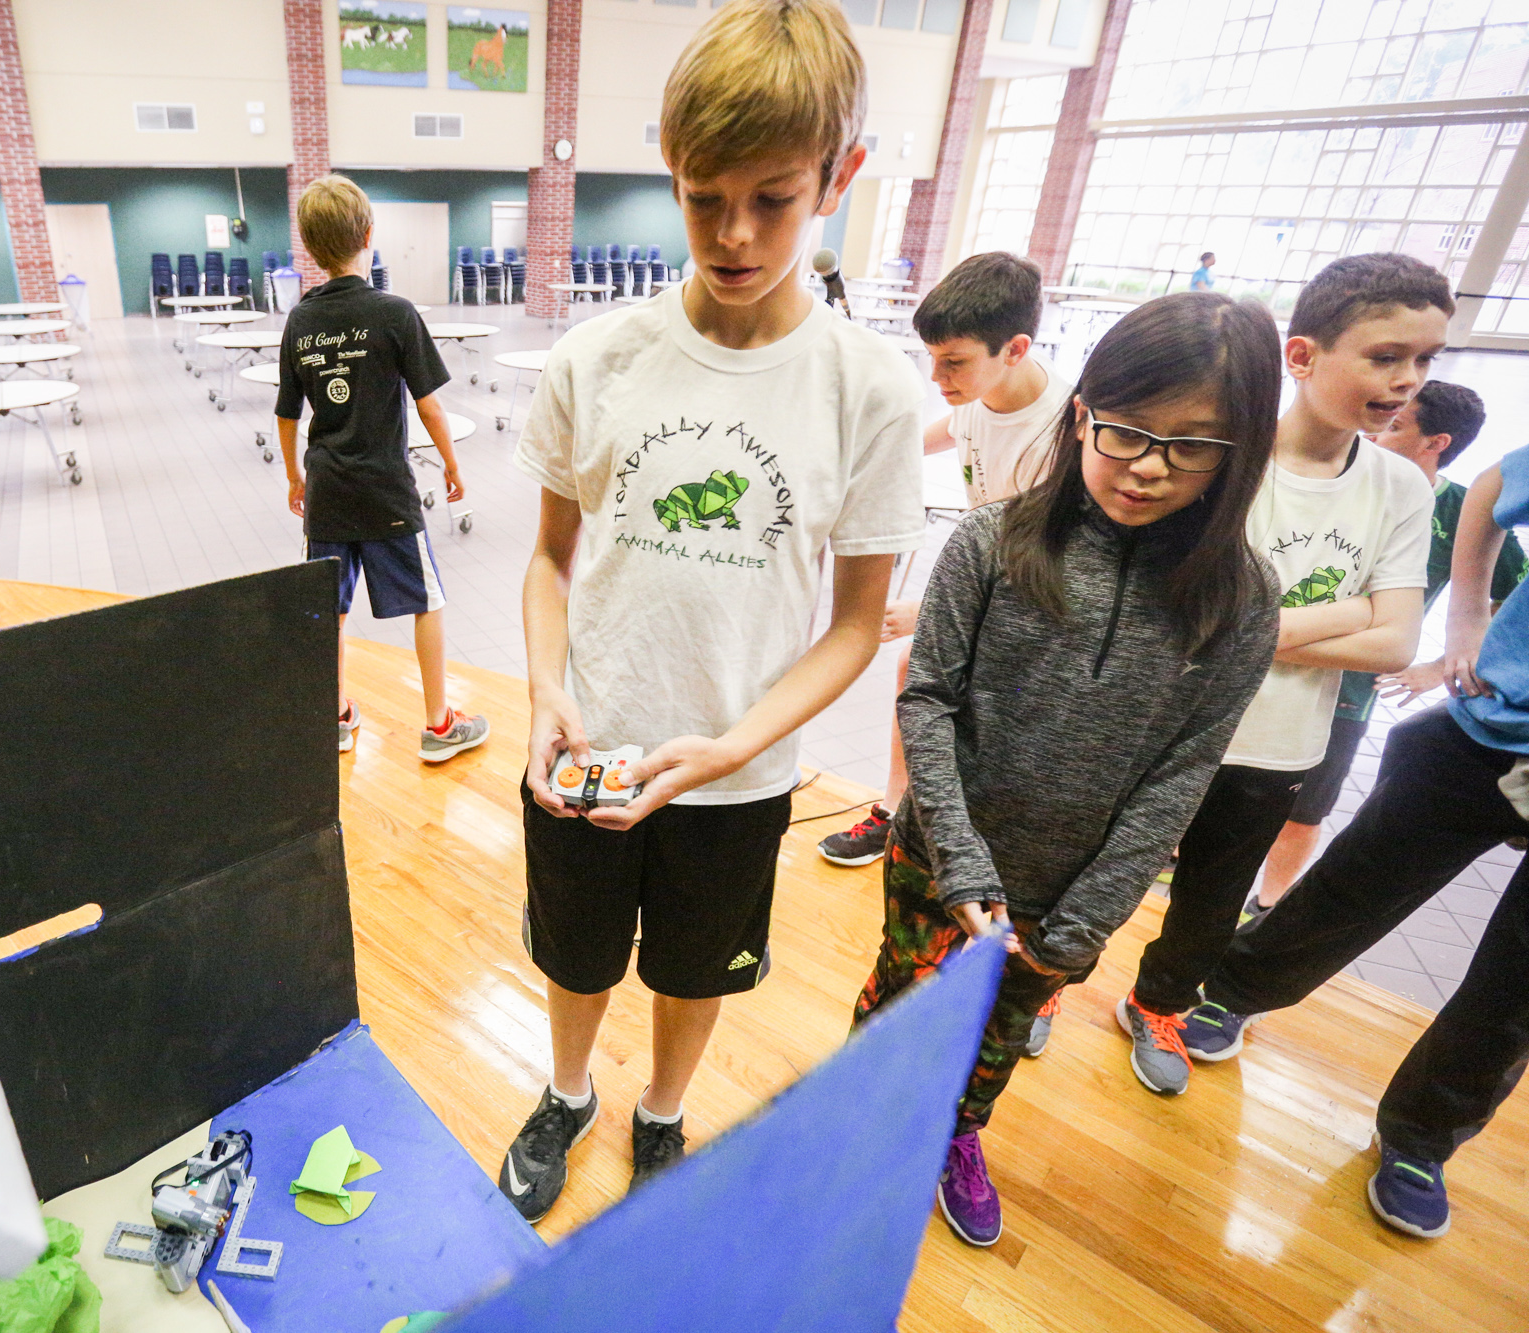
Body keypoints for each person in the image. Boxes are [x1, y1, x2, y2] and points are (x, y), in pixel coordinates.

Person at [498, 0, 923, 1224]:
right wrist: (544, 689)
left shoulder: (869, 393)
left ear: (837, 178)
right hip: (588, 752)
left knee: (694, 970)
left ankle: (662, 1113)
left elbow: (854, 623)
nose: (733, 233)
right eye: (702, 197)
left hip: (737, 776)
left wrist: (734, 745)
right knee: (573, 956)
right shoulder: (599, 359)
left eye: (774, 199)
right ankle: (569, 1091)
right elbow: (544, 561)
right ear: (669, 174)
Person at [854, 292, 1281, 1247]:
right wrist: (960, 864)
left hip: (1068, 899)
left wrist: (1093, 912)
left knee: (998, 1039)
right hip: (939, 861)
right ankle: (857, 1134)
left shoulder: (1243, 600)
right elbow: (927, 701)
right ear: (1083, 411)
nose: (1147, 467)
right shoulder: (991, 541)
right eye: (1124, 432)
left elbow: (1184, 768)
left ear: (1239, 451)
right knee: (894, 1007)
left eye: (1191, 445)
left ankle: (959, 1137)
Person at [1113, 253, 1441, 1096]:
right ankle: (1043, 983)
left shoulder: (1401, 488)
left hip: (1279, 743)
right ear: (1301, 356)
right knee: (1099, 864)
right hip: (1162, 723)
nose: (1406, 380)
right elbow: (1182, 615)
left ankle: (1158, 1004)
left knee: (1211, 899)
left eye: (1425, 361)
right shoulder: (1223, 461)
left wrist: (1266, 628)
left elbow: (1397, 642)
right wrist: (1350, 613)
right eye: (1384, 356)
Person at [1190, 444, 1529, 1240]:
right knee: (1356, 882)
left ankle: (1420, 1135)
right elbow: (1492, 485)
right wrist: (1469, 615)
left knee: (1518, 986)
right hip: (1492, 724)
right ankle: (1236, 991)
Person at [818, 250, 1071, 872]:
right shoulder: (979, 394)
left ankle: (954, 840)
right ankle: (895, 815)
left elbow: (1042, 572)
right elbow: (917, 440)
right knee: (917, 672)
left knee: (945, 689)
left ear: (1014, 348)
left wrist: (926, 608)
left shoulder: (1062, 434)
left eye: (952, 362)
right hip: (986, 579)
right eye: (931, 358)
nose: (937, 377)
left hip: (1042, 605)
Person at [1246, 380, 1526, 923]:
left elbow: (1510, 593)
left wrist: (1445, 658)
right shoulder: (1340, 480)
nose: (1375, 428)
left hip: (1351, 686)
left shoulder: (1453, 508)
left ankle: (1266, 905)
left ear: (1436, 442)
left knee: (1304, 808)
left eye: (1396, 424)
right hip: (1262, 659)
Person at [275, 174, 489, 763]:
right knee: (427, 601)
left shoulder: (299, 321)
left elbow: (287, 414)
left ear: (310, 247)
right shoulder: (394, 313)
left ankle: (337, 717)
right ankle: (440, 725)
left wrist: (295, 477)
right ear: (369, 235)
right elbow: (429, 404)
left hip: (327, 494)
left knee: (329, 609)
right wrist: (451, 464)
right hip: (387, 494)